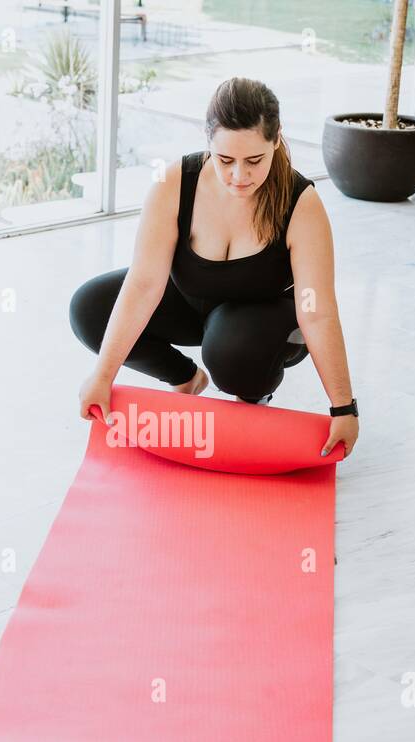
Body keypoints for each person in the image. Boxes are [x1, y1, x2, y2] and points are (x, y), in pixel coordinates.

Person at [69, 77, 359, 458]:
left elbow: (317, 312)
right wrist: (102, 376)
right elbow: (144, 283)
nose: (240, 176)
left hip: (266, 322)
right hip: (194, 302)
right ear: (208, 142)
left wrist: (343, 407)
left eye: (255, 160)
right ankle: (186, 378)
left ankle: (253, 391)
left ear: (276, 140)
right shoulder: (174, 182)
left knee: (230, 352)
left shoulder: (301, 204)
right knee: (89, 309)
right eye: (226, 160)